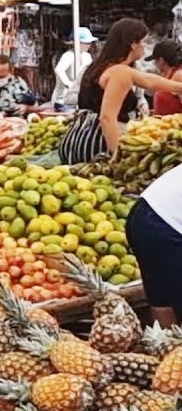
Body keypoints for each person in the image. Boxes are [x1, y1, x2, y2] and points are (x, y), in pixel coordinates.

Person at [62, 18, 182, 163]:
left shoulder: (100, 66)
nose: (144, 48)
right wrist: (117, 157)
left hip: (77, 140)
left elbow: (149, 80)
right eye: (143, 42)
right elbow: (107, 118)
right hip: (97, 145)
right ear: (133, 44)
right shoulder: (120, 72)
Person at [130, 162, 182, 327]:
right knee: (164, 293)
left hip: (143, 213)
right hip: (164, 223)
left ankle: (168, 348)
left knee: (161, 296)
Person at [52, 27, 96, 108]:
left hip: (78, 96)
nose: (88, 46)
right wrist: (69, 84)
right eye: (85, 43)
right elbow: (59, 70)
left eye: (89, 43)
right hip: (63, 98)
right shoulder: (69, 55)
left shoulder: (87, 56)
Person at [151, 39, 182, 116]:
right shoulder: (167, 75)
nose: (155, 64)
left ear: (161, 60)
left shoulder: (178, 75)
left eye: (155, 61)